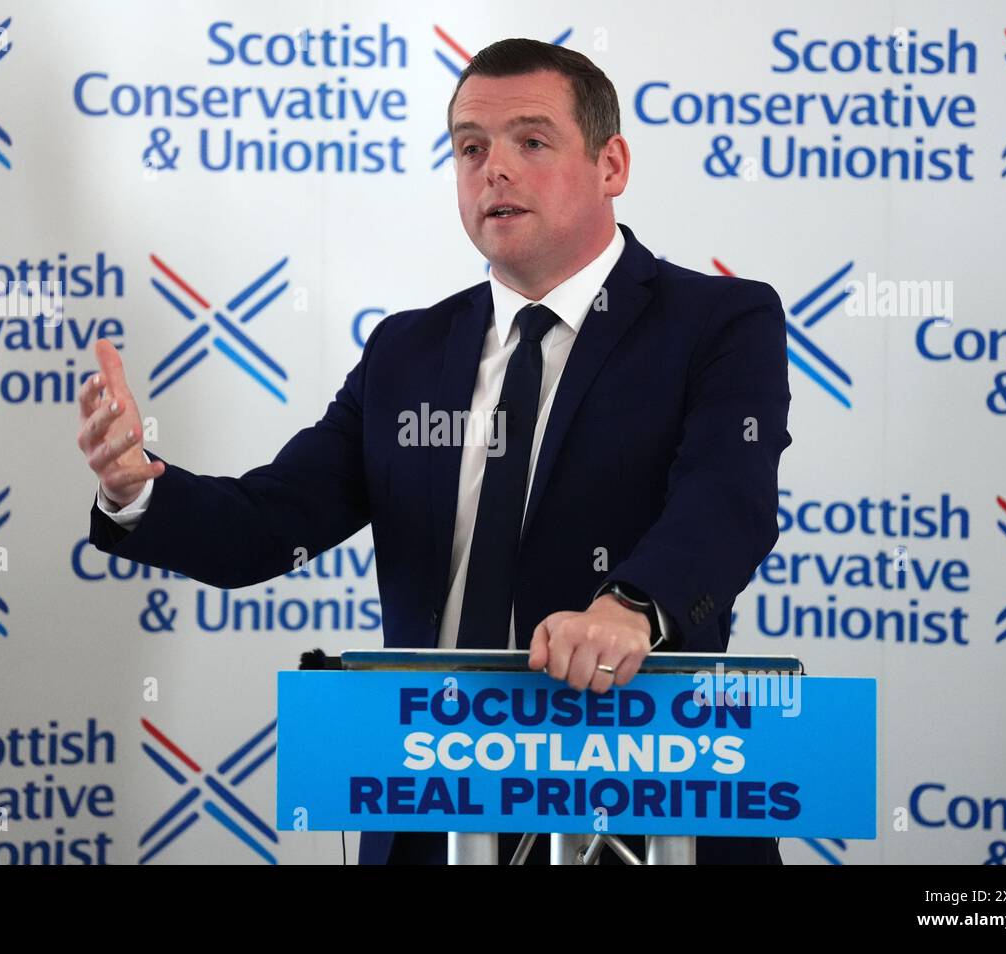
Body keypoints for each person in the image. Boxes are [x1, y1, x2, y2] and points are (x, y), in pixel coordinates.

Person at [77, 38, 791, 865]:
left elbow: (726, 499)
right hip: (430, 803)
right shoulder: (407, 351)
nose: (494, 170)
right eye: (470, 147)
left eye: (532, 141)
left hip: (642, 800)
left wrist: (628, 608)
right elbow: (274, 521)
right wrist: (137, 490)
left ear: (611, 164)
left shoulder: (718, 322)